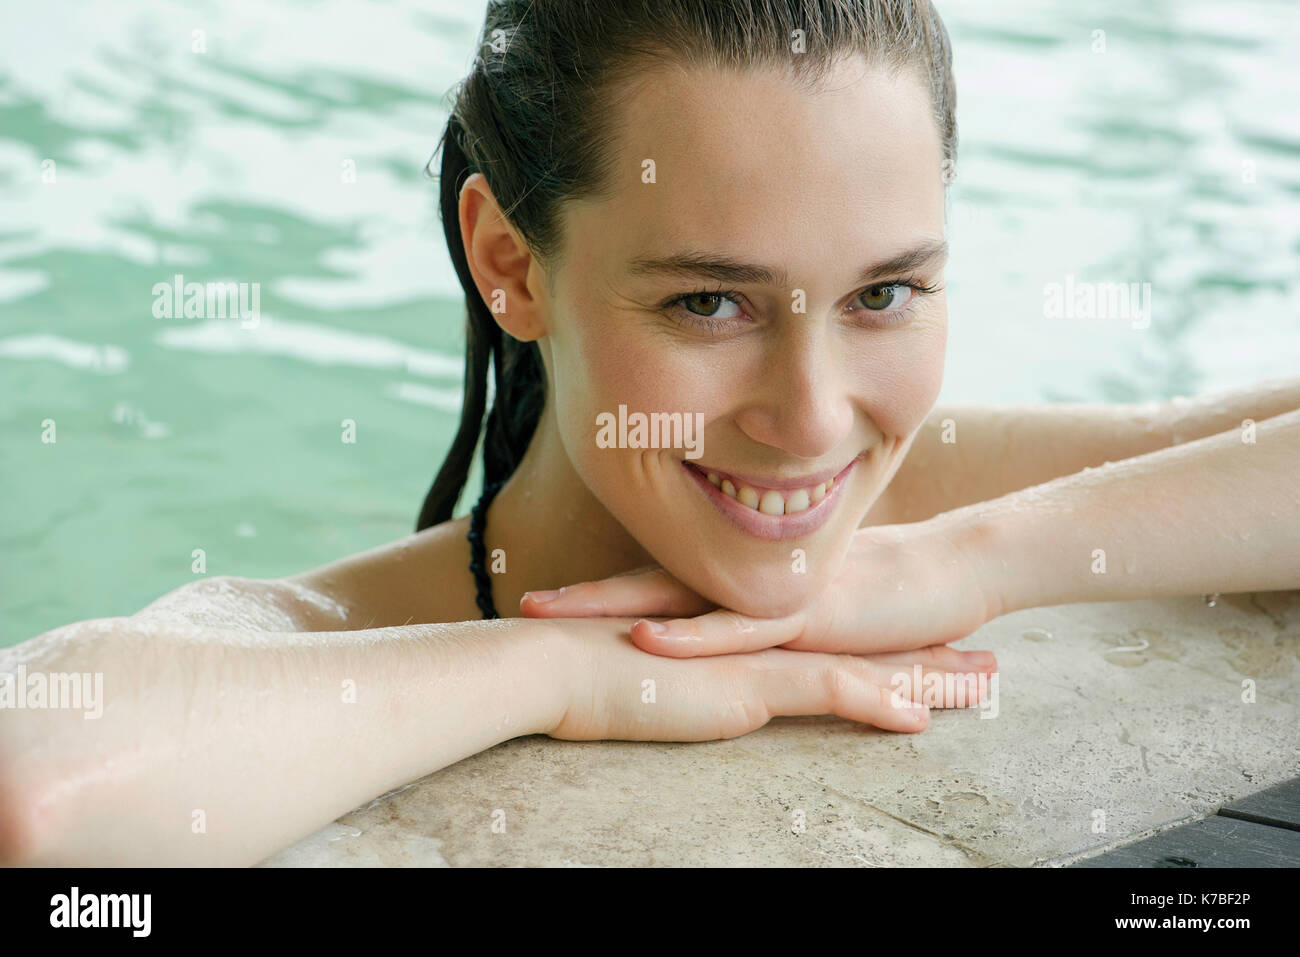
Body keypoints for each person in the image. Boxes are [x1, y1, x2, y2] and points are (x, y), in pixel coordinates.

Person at [2, 0, 1296, 867]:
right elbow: (35, 786)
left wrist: (967, 559)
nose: (810, 418)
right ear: (511, 264)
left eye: (883, 293)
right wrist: (571, 671)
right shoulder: (329, 633)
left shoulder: (917, 507)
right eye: (709, 301)